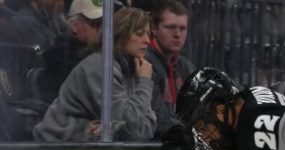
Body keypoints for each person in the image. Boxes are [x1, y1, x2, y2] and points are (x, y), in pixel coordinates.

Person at [33, 7, 156, 141]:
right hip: (57, 144)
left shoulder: (133, 68)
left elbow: (147, 127)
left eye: (148, 34)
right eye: (139, 34)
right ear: (120, 35)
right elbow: (130, 122)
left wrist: (123, 128)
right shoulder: (99, 67)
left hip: (89, 146)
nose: (147, 41)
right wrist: (144, 83)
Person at [145, 0, 195, 139]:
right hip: (154, 144)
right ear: (154, 29)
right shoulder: (145, 63)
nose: (177, 34)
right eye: (170, 27)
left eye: (183, 28)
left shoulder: (186, 67)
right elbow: (156, 116)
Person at [37, 0, 103, 103]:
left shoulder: (101, 52)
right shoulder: (62, 57)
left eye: (105, 23)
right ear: (74, 26)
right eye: (96, 24)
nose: (102, 30)